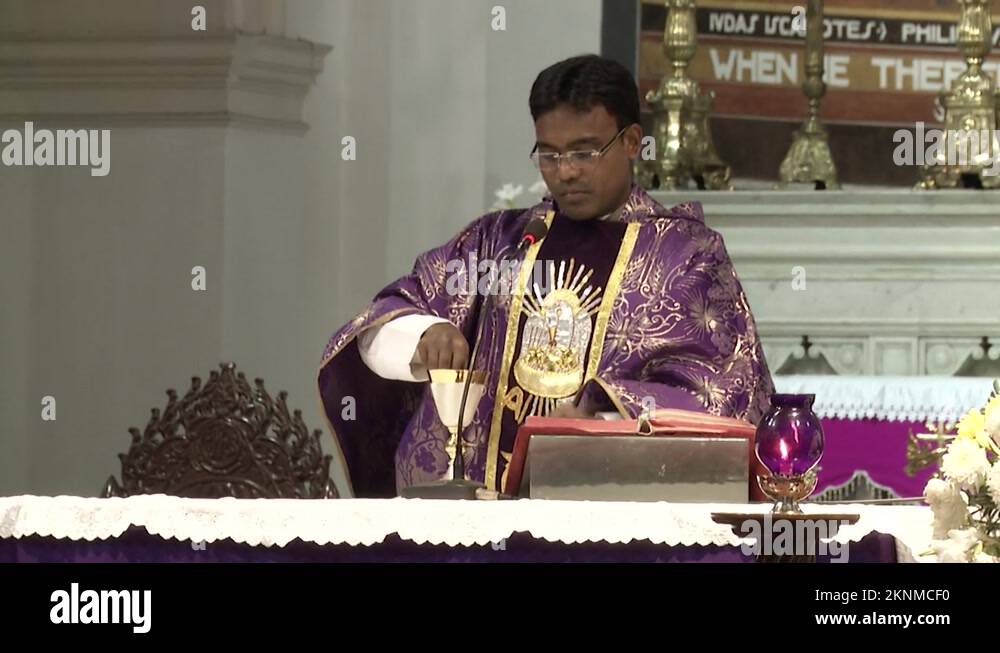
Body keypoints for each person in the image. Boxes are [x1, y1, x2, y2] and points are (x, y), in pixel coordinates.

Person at [319, 54, 773, 497]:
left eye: (585, 152)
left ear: (633, 141)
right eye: (550, 154)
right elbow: (384, 318)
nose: (566, 172)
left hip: (607, 510)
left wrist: (605, 416)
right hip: (479, 517)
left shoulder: (685, 253)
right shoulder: (497, 242)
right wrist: (424, 332)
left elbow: (726, 391)